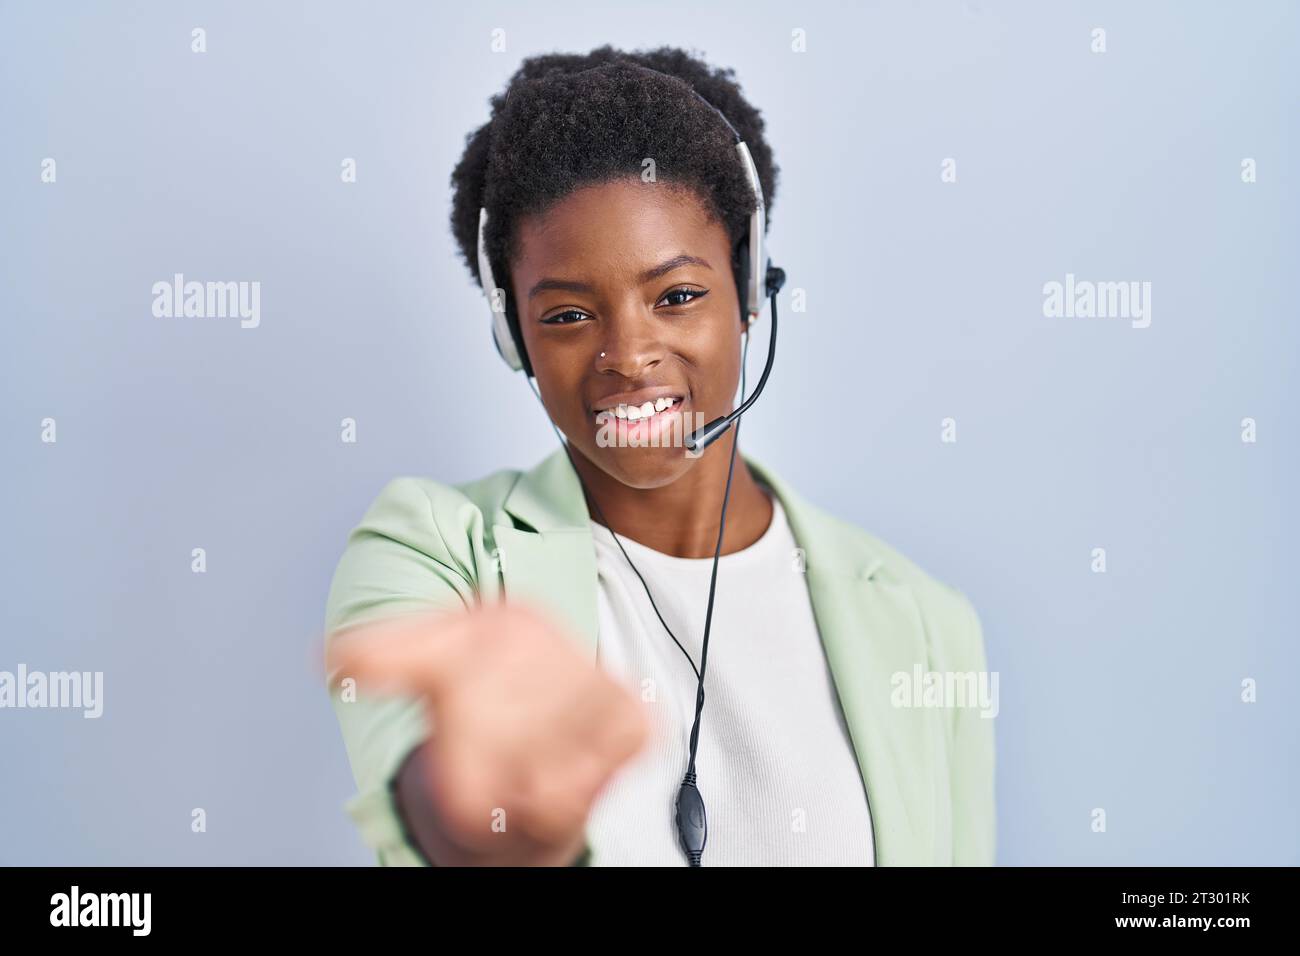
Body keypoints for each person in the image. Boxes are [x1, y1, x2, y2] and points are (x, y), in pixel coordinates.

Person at [323, 44, 995, 867]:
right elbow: (428, 796)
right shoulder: (432, 555)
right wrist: (490, 812)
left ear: (748, 292)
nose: (628, 356)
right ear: (514, 339)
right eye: (569, 315)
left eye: (677, 297)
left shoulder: (927, 625)